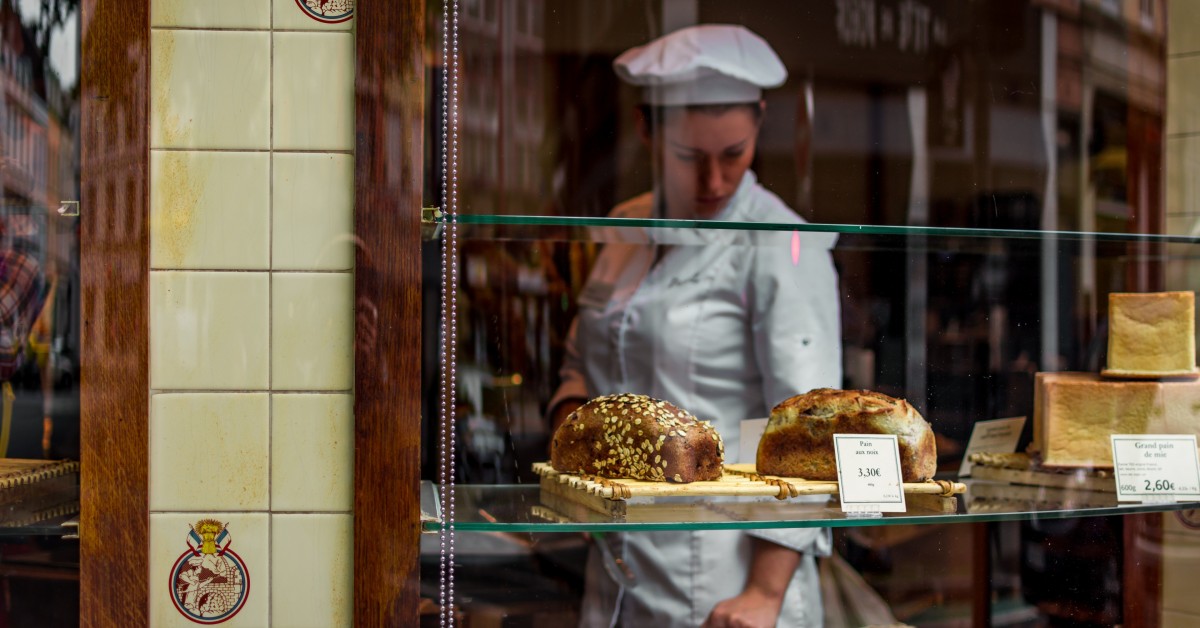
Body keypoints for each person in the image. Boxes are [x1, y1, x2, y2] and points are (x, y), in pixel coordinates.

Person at [547, 25, 843, 628]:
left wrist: (763, 594)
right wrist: (572, 437)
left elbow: (808, 435)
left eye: (733, 154)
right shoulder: (624, 226)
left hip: (725, 580)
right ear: (645, 130)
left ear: (760, 124)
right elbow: (583, 360)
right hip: (617, 566)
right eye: (689, 158)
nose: (714, 182)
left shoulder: (782, 243)